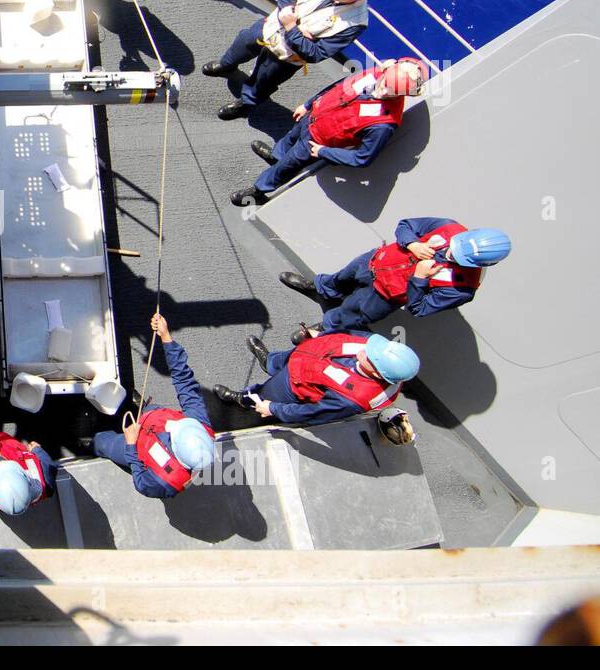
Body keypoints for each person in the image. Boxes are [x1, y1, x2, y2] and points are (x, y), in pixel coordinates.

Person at [229, 57, 425, 207]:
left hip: (316, 142)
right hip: (311, 116)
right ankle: (275, 156)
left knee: (286, 167)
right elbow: (337, 87)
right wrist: (308, 105)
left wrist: (323, 152)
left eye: (389, 90)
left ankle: (258, 190)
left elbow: (363, 158)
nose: (382, 90)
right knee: (288, 139)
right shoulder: (372, 74)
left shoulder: (384, 123)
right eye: (384, 83)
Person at [278, 220, 511, 343]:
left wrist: (419, 278)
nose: (450, 253)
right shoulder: (450, 228)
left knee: (350, 315)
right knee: (341, 277)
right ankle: (321, 288)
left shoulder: (462, 288)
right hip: (373, 262)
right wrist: (412, 244)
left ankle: (325, 328)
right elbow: (406, 225)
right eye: (454, 247)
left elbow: (418, 309)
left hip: (383, 296)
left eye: (458, 256)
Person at [205, 0, 381, 120]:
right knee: (243, 42)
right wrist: (290, 15)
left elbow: (316, 54)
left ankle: (245, 104)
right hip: (271, 26)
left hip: (287, 58)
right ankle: (227, 65)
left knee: (264, 82)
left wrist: (291, 28)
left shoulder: (356, 23)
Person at [92, 313, 215, 498]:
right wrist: (166, 337)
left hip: (136, 445)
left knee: (104, 442)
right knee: (148, 408)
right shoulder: (198, 425)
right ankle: (138, 408)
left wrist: (131, 446)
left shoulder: (163, 484)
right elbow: (184, 380)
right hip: (153, 419)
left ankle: (92, 442)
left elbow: (141, 483)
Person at [213, 330, 419, 426]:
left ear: (377, 373)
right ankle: (269, 362)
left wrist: (273, 408)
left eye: (370, 356)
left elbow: (312, 412)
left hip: (294, 385)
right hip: (305, 354)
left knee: (262, 395)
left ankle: (243, 399)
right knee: (281, 359)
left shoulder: (354, 398)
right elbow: (344, 334)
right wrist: (317, 335)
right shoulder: (376, 346)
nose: (366, 348)